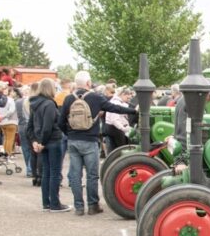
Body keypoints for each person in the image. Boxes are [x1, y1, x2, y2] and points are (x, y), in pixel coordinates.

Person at [59, 71, 137, 216]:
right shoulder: (95, 97)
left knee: (75, 175)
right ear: (88, 83)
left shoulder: (69, 98)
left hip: (73, 141)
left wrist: (70, 134)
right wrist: (133, 111)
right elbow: (115, 108)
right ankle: (93, 205)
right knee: (92, 175)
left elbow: (60, 121)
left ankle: (79, 207)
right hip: (90, 140)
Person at [29, 79, 69, 213]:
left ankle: (46, 202)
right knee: (54, 172)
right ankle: (55, 204)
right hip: (52, 141)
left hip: (42, 142)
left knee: (46, 172)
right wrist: (42, 142)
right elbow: (48, 126)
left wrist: (35, 141)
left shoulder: (34, 104)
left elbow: (30, 126)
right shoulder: (49, 104)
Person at [104, 87, 135, 152]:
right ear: (123, 94)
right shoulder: (116, 103)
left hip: (113, 128)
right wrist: (123, 129)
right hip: (115, 129)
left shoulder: (117, 101)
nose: (129, 99)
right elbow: (114, 120)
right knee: (121, 149)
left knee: (114, 149)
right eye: (127, 97)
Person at [0, 82, 19, 156]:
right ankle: (8, 155)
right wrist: (5, 116)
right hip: (11, 121)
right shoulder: (10, 99)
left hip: (2, 121)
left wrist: (1, 117)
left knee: (6, 138)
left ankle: (5, 154)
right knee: (10, 139)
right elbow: (12, 110)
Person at [16, 84, 33, 177]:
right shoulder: (31, 101)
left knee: (25, 148)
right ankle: (30, 169)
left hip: (21, 126)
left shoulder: (17, 101)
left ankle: (28, 168)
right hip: (29, 125)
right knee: (32, 148)